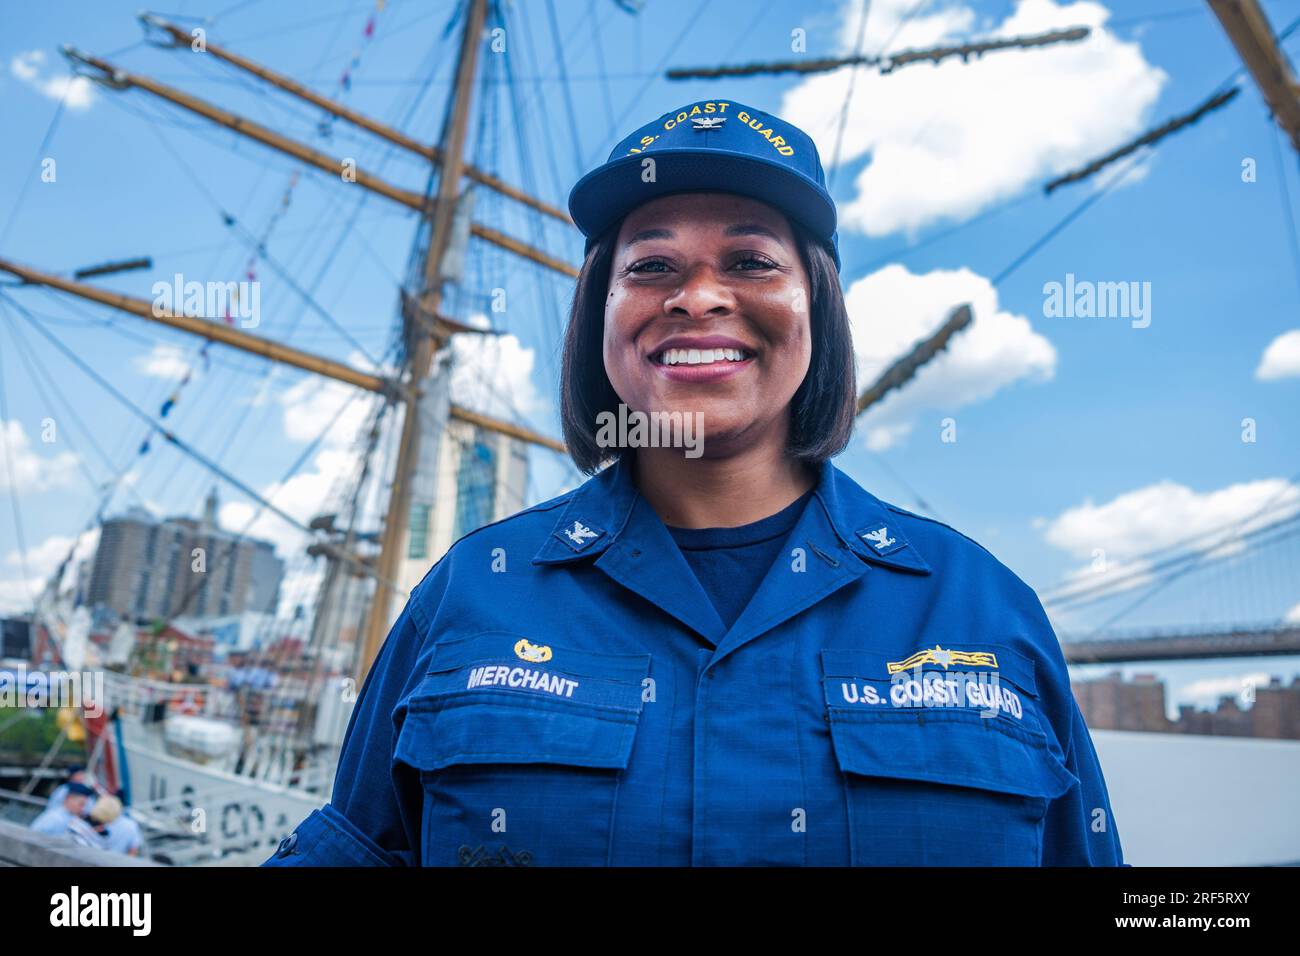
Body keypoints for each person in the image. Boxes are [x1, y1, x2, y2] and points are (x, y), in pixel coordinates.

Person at [264, 97, 1125, 867]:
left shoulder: (985, 609)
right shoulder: (470, 594)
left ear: (816, 308)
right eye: (651, 266)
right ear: (599, 317)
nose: (699, 297)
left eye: (751, 261)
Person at [29, 781, 96, 841]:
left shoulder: (71, 817)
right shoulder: (53, 818)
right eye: (81, 804)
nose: (83, 809)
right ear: (69, 799)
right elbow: (32, 837)